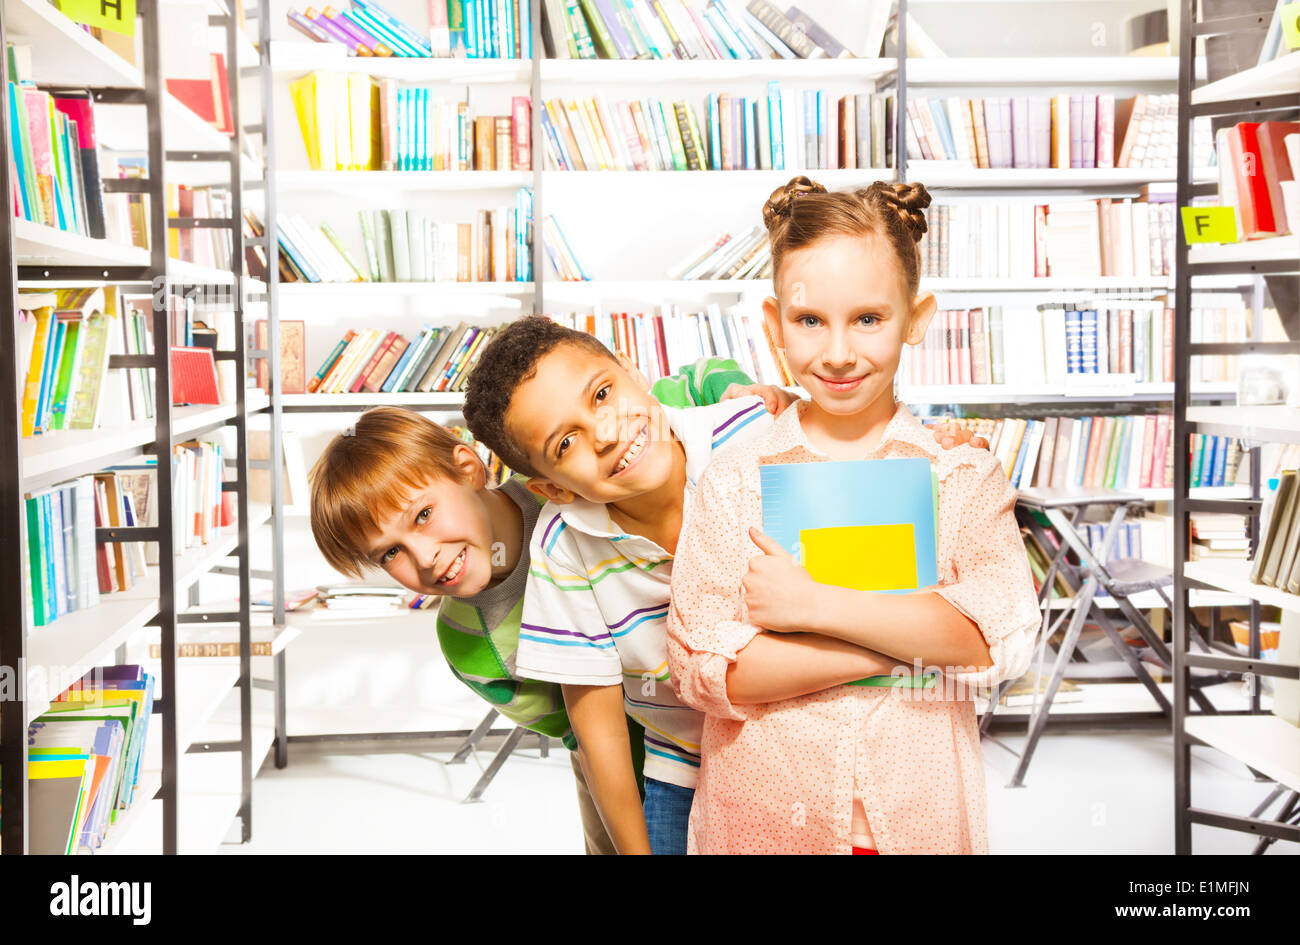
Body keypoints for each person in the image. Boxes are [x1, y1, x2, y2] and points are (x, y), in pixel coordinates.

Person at [461, 313, 987, 854]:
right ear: (553, 489)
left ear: (634, 372)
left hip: (794, 741)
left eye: (602, 394)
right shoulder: (563, 548)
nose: (606, 433)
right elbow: (598, 730)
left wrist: (947, 459)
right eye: (566, 442)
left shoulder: (759, 430)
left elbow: (886, 516)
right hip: (680, 766)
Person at [666, 176, 1041, 854]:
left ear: (916, 317)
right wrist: (908, 640)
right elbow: (704, 668)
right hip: (768, 821)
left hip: (918, 817)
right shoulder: (735, 478)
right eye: (810, 321)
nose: (838, 352)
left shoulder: (958, 474)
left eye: (868, 318)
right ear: (775, 325)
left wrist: (813, 604)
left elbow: (997, 640)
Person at [306, 358, 771, 854]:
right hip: (634, 749)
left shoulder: (569, 472)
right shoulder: (469, 643)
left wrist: (747, 394)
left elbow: (690, 382)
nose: (425, 558)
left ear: (468, 469)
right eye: (391, 553)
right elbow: (589, 735)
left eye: (423, 515)